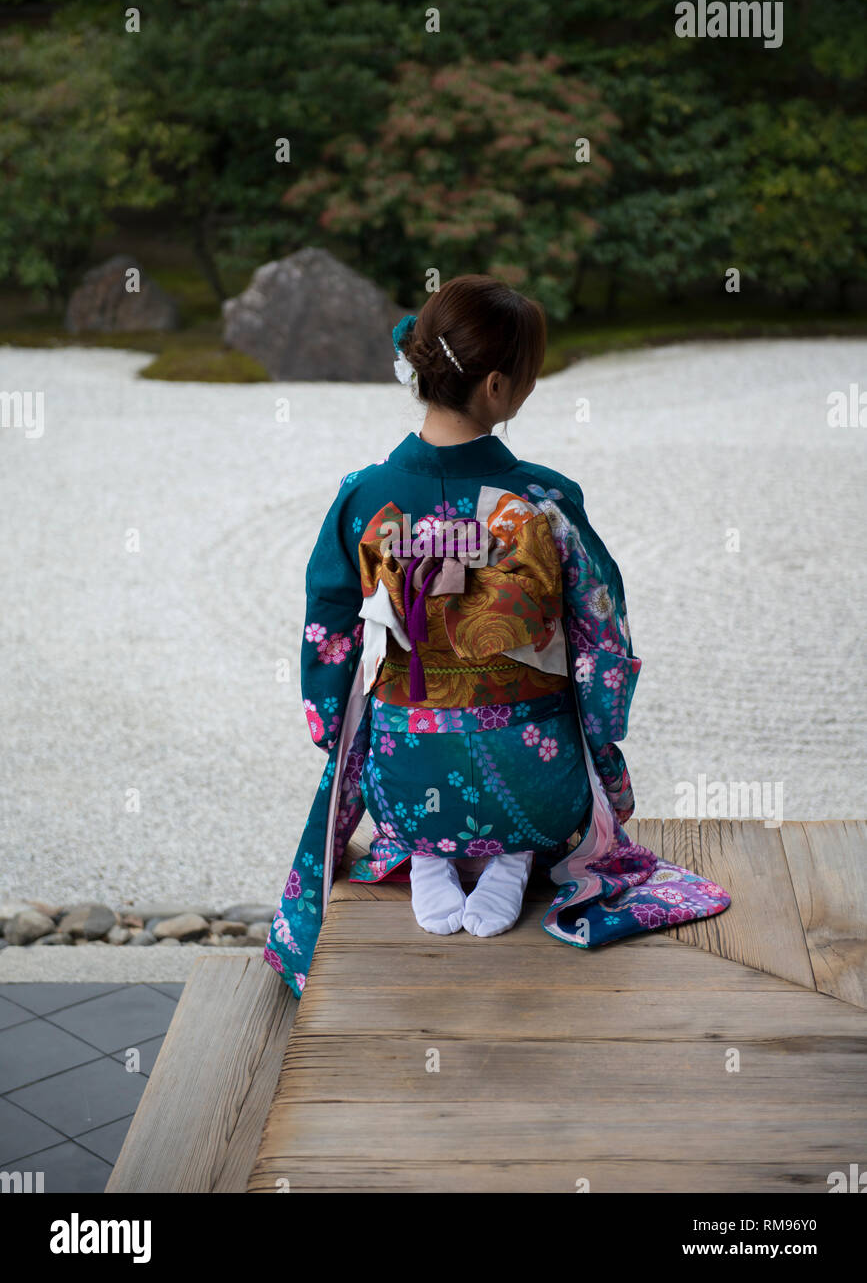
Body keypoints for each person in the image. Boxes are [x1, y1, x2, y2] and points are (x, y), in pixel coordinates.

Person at [264, 275, 730, 998]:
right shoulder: (544, 500)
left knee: (408, 760)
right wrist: (601, 729)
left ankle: (427, 856)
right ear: (493, 386)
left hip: (402, 773)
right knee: (530, 771)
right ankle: (512, 859)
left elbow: (327, 628)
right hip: (535, 784)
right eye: (527, 379)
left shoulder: (361, 495)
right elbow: (601, 629)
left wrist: (334, 728)